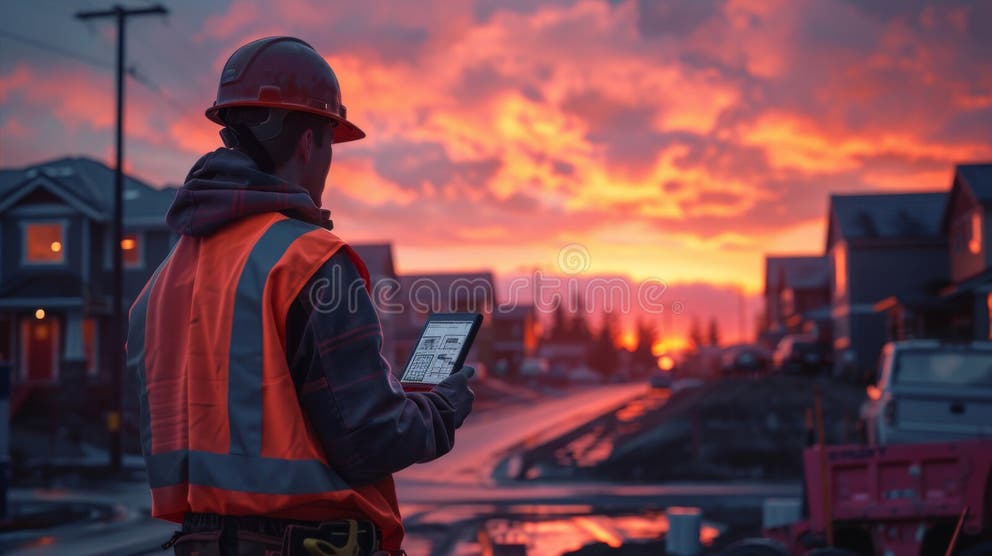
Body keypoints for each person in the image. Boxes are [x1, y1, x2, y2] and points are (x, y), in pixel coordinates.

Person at [127, 36, 475, 556]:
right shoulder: (309, 261)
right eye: (331, 144)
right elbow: (372, 440)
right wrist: (442, 408)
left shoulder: (160, 283)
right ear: (310, 144)